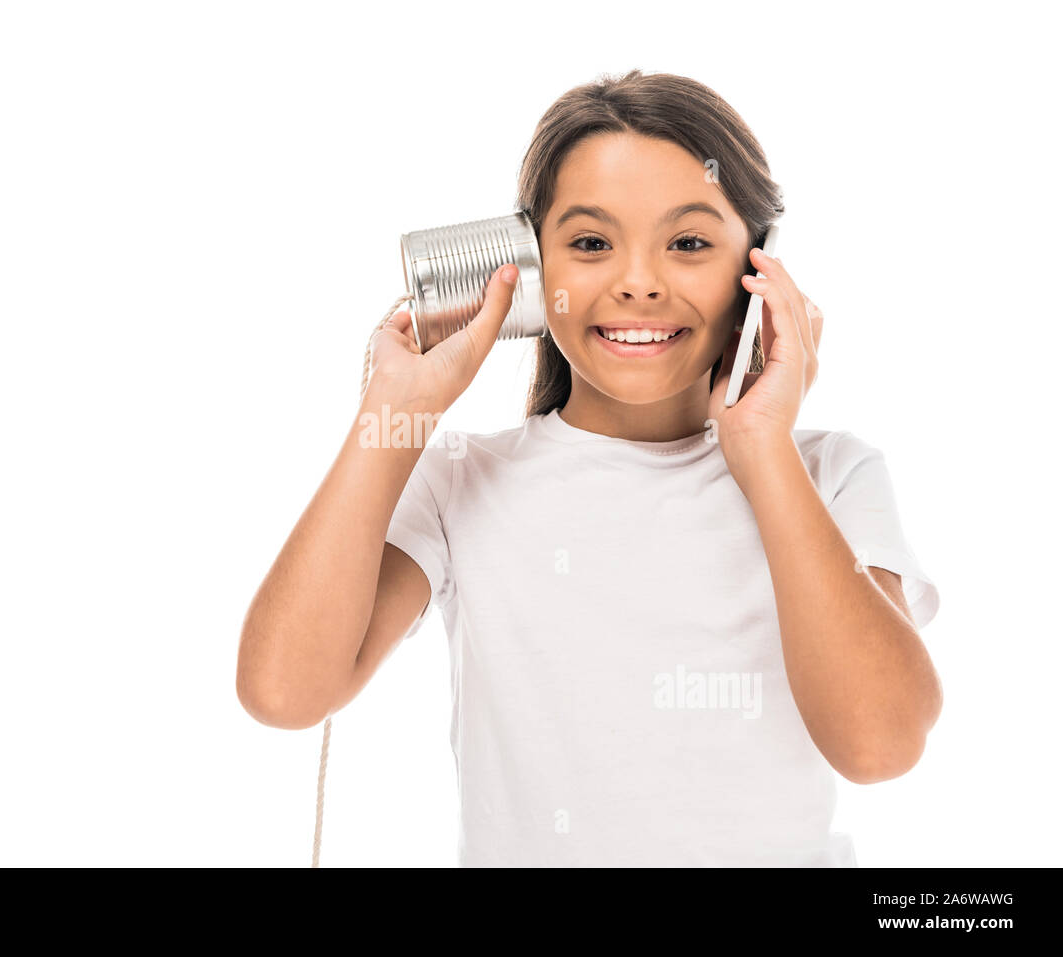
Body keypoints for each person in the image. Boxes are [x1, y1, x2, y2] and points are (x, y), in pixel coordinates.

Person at [237, 69, 942, 867]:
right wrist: (394, 417)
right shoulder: (459, 481)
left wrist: (765, 451)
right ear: (528, 268)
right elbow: (284, 692)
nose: (638, 281)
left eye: (687, 243)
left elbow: (882, 743)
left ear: (761, 271)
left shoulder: (829, 474)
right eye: (591, 243)